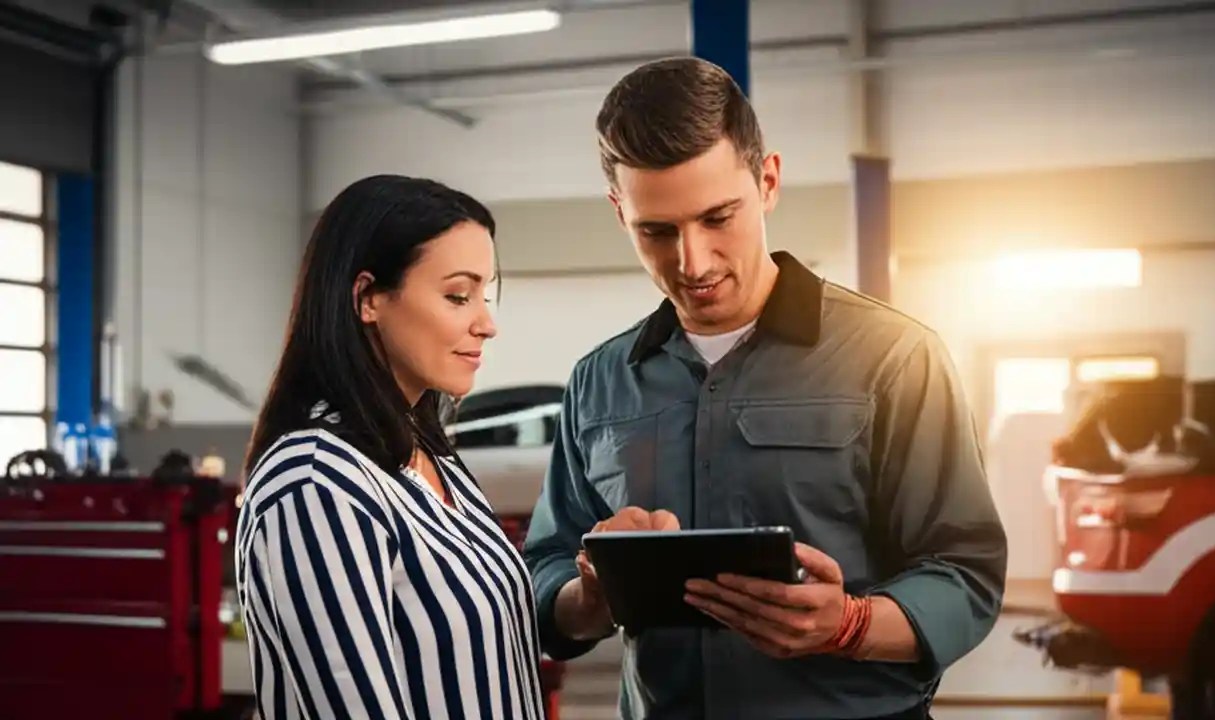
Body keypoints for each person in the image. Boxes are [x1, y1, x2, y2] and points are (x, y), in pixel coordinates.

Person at [523, 58, 1007, 720]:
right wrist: (589, 600)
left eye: (718, 217)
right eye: (656, 231)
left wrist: (851, 624)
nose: (692, 262)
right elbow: (547, 565)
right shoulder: (599, 384)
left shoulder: (895, 358)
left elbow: (966, 575)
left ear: (768, 181)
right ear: (619, 213)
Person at [236, 175, 545, 720]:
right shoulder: (317, 484)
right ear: (368, 299)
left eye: (485, 295)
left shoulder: (433, 458)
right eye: (457, 295)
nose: (486, 323)